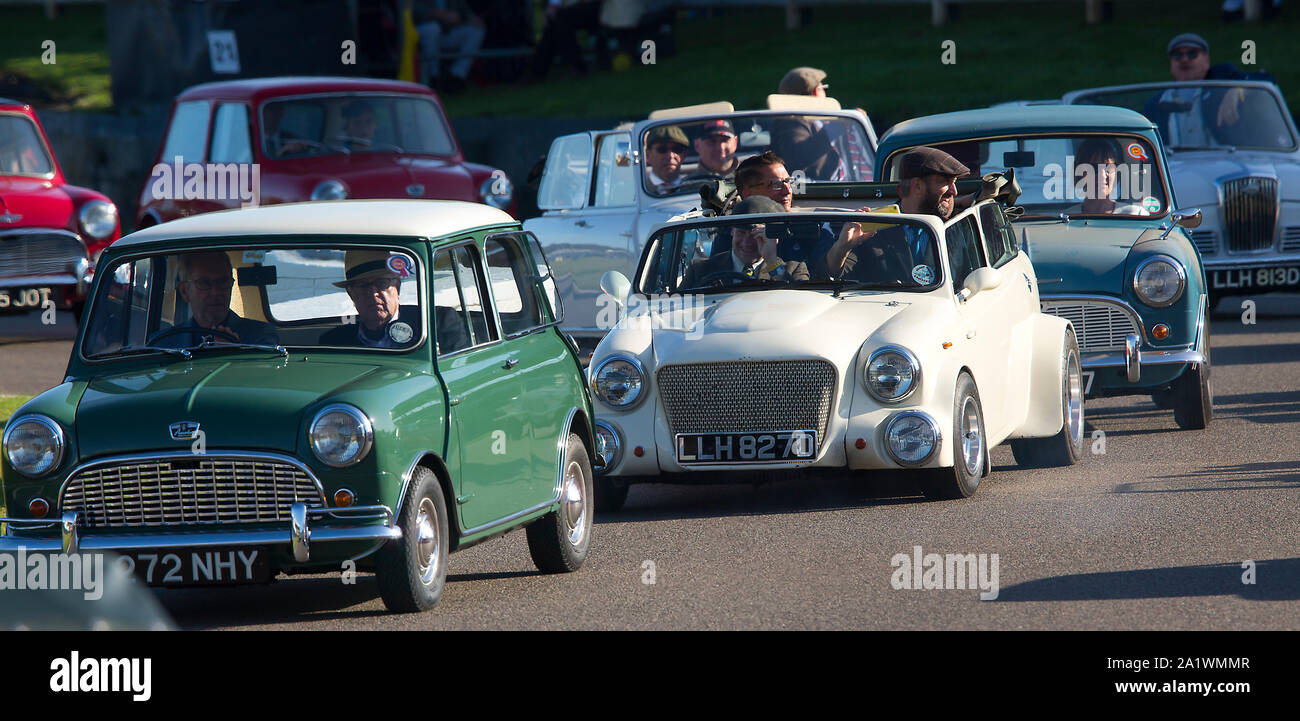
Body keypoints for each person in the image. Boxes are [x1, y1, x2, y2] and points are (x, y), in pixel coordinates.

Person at [825, 146, 966, 283]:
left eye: (954, 182)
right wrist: (842, 247)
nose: (954, 191)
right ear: (917, 186)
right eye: (944, 182)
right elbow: (831, 277)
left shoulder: (959, 224)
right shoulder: (874, 226)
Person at [1143, 33, 1276, 147]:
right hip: (1176, 171)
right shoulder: (1155, 103)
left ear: (1206, 60)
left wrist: (1238, 89)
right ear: (1171, 63)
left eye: (1192, 54)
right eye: (1177, 55)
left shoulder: (1221, 79)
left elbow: (1265, 79)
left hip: (1223, 165)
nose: (1184, 59)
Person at [682, 196, 809, 288]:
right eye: (741, 233)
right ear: (732, 232)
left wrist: (772, 262)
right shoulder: (701, 269)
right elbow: (678, 307)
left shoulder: (794, 269)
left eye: (756, 235)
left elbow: (800, 304)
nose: (747, 243)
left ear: (772, 238)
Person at [322, 250, 438, 349]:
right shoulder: (334, 342)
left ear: (397, 286)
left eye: (381, 283)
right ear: (351, 294)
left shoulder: (435, 325)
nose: (373, 294)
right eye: (363, 286)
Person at [162, 251, 279, 347]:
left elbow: (261, 373)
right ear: (185, 291)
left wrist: (232, 354)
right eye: (204, 283)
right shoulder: (163, 342)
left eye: (222, 282)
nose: (215, 292)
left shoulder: (260, 335)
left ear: (231, 286)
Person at [771, 66, 849, 181]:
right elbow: (797, 156)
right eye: (823, 88)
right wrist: (836, 128)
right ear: (815, 92)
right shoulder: (792, 121)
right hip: (813, 191)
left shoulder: (815, 120)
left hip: (834, 186)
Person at [1064, 138, 1149, 216]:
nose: (1102, 175)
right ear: (1079, 174)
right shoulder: (1067, 218)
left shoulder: (1137, 215)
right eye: (1093, 168)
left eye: (1108, 167)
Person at [416, 0, 485, 93]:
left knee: (476, 31)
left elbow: (465, 11)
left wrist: (471, 18)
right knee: (433, 29)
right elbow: (414, 10)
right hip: (422, 32)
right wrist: (441, 15)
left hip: (448, 32)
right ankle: (434, 77)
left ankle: (456, 76)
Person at [644, 125, 688, 193]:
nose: (670, 156)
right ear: (648, 155)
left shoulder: (697, 189)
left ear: (685, 154)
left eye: (677, 149)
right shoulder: (636, 192)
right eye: (662, 149)